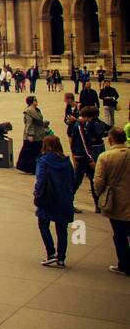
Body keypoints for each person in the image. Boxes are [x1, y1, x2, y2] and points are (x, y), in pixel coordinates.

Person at [34, 135, 76, 267]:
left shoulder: (43, 160)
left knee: (43, 224)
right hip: (64, 197)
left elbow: (40, 179)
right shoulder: (66, 161)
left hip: (48, 197)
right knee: (62, 229)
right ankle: (61, 257)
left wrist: (37, 193)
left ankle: (51, 253)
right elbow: (73, 179)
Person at [93, 127, 130, 276]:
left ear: (110, 139)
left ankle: (124, 264)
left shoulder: (106, 157)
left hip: (116, 201)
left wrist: (100, 194)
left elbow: (98, 181)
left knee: (120, 235)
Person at [69, 106, 107, 213]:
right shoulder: (79, 126)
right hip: (82, 158)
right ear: (88, 117)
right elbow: (84, 144)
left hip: (82, 156)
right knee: (77, 181)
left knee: (92, 179)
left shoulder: (80, 125)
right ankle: (68, 202)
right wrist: (90, 159)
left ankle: (98, 204)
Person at [17, 96, 48, 174]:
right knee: (30, 152)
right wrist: (30, 134)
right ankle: (29, 167)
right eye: (35, 100)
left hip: (39, 133)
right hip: (33, 135)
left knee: (36, 151)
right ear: (31, 102)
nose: (36, 101)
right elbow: (29, 123)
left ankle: (35, 167)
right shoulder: (29, 111)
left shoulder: (36, 110)